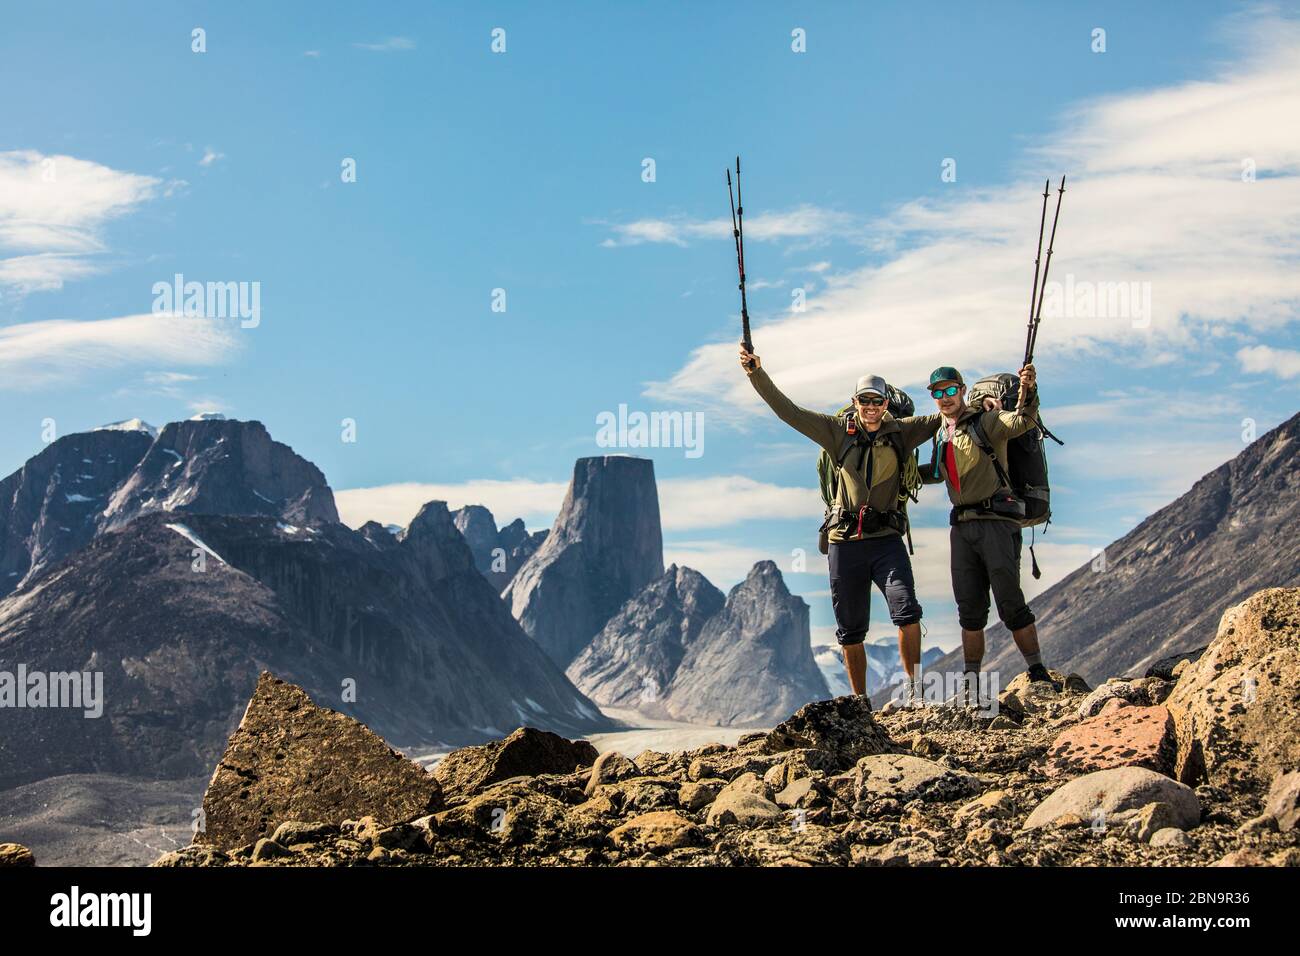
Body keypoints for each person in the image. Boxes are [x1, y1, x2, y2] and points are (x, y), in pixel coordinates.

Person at [740, 344, 941, 704]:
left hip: (886, 540)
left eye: (877, 401)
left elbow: (945, 413)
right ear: (855, 401)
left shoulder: (902, 432)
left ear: (886, 403)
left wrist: (978, 404)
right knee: (850, 631)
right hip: (844, 543)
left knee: (907, 609)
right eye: (865, 401)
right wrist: (756, 373)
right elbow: (788, 411)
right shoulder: (836, 432)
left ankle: (915, 691)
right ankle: (860, 702)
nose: (871, 407)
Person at [925, 363, 1053, 702]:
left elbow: (1023, 420)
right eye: (938, 392)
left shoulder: (988, 421)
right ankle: (971, 683)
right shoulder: (942, 433)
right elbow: (938, 473)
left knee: (1010, 600)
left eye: (951, 390)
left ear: (963, 390)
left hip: (996, 522)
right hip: (962, 527)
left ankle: (1037, 671)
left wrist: (1029, 390)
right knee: (969, 609)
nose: (945, 397)